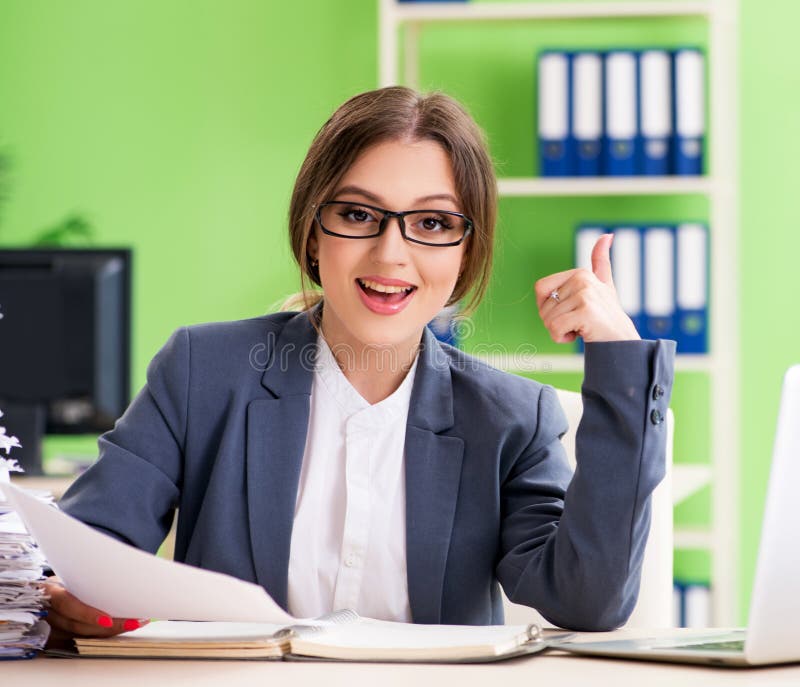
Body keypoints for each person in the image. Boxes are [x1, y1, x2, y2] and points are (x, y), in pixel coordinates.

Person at [44, 86, 674, 641]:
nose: (390, 252)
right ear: (312, 234)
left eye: (431, 222)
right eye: (356, 215)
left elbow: (589, 602)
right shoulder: (201, 372)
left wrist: (619, 355)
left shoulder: (512, 418)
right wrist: (78, 599)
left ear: (465, 252)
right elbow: (86, 553)